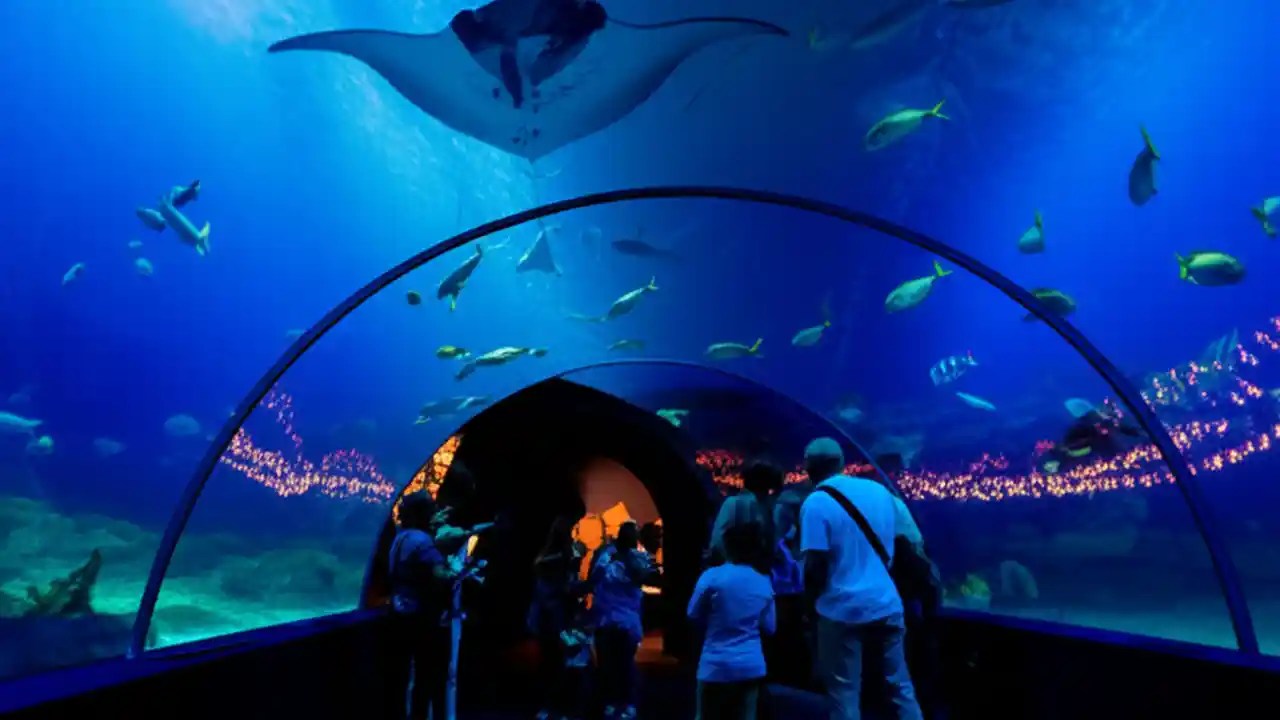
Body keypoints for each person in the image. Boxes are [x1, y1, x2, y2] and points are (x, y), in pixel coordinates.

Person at [798, 438, 923, 720]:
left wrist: (808, 609)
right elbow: (912, 541)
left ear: (808, 467)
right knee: (900, 687)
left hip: (840, 611)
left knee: (844, 692)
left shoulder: (816, 502)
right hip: (886, 603)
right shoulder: (878, 492)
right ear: (841, 463)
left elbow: (814, 565)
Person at [688, 522, 776, 720]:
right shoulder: (763, 580)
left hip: (714, 663)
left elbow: (692, 612)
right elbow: (770, 627)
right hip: (750, 663)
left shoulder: (711, 576)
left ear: (726, 546)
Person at [450, 0, 608, 109]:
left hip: (552, 23)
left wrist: (517, 94)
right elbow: (512, 59)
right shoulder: (501, 23)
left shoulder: (505, 20)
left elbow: (510, 59)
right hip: (553, 27)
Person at [388, 491, 454, 720]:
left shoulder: (400, 537)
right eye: (430, 509)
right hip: (420, 619)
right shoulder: (422, 541)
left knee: (402, 676)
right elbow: (441, 574)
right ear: (422, 513)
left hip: (398, 613)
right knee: (425, 676)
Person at [590, 520, 656, 720]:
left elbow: (643, 577)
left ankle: (626, 703)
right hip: (605, 618)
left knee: (624, 663)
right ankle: (612, 702)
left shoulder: (638, 558)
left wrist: (625, 558)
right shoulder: (604, 555)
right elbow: (594, 579)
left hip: (625, 620)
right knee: (609, 664)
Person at [529, 516, 587, 720]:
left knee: (552, 665)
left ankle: (551, 708)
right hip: (558, 619)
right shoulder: (558, 559)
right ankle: (558, 708)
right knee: (561, 666)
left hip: (552, 619)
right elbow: (563, 589)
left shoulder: (547, 558)